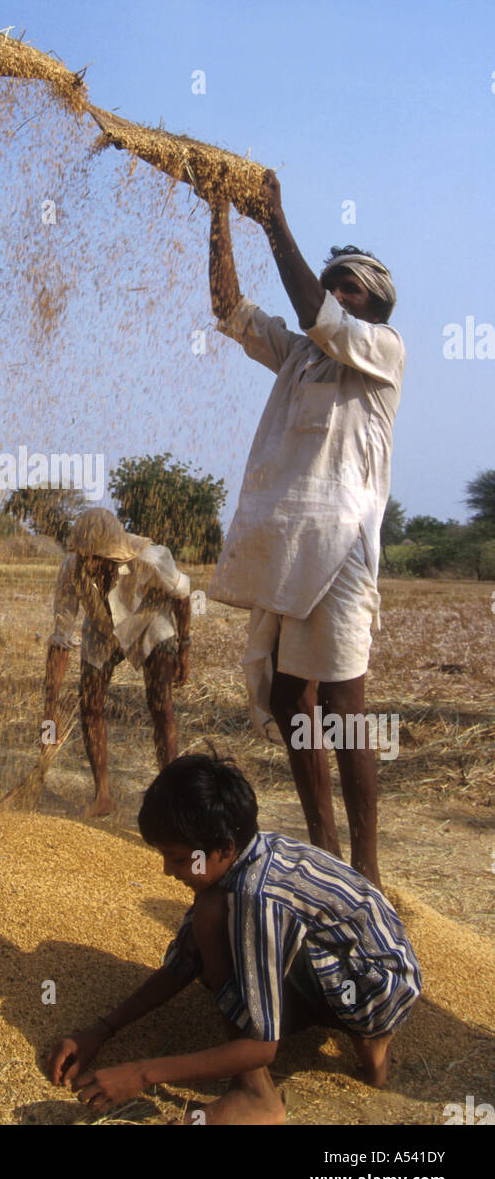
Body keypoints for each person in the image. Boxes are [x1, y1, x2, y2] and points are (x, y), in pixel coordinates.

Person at [205, 175, 405, 887]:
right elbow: (229, 309)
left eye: (346, 287)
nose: (334, 292)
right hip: (287, 552)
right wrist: (220, 210)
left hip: (341, 549)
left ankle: (369, 868)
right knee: (292, 700)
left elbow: (318, 314)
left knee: (346, 703)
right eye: (332, 284)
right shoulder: (299, 355)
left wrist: (275, 218)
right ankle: (324, 844)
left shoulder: (382, 350)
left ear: (372, 303)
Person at [46, 754, 421, 1125]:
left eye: (178, 860)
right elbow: (182, 964)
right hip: (380, 970)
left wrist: (142, 1074)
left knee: (212, 917)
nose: (167, 871)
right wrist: (101, 1030)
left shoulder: (254, 897)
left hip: (375, 987)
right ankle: (369, 1040)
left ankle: (255, 1097)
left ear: (224, 847)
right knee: (211, 924)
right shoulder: (249, 850)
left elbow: (261, 1048)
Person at [44, 507, 191, 817]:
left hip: (150, 623)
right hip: (101, 629)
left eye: (95, 558)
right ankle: (103, 796)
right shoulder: (71, 568)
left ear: (113, 556)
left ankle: (171, 799)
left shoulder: (150, 560)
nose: (89, 564)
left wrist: (184, 647)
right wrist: (50, 711)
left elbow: (182, 595)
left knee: (161, 707)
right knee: (90, 706)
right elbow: (60, 639)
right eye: (84, 557)